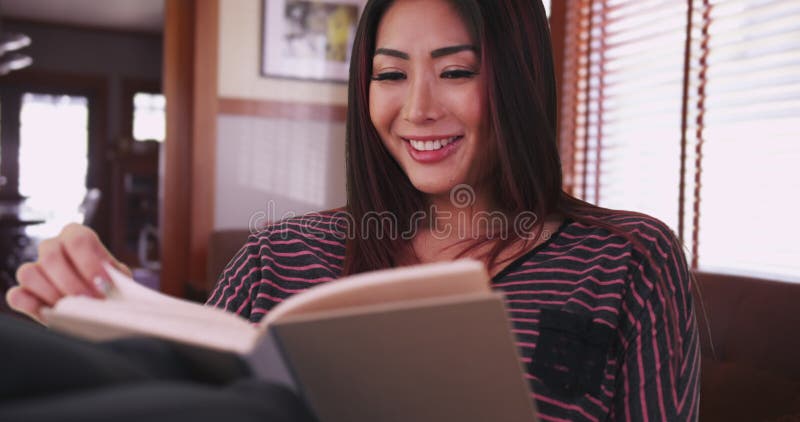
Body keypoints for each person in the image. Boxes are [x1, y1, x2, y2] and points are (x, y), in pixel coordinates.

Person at [4, 0, 700, 421]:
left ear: (519, 81)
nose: (417, 107)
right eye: (390, 74)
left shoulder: (628, 258)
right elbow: (179, 384)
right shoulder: (278, 255)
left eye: (456, 71)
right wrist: (102, 306)